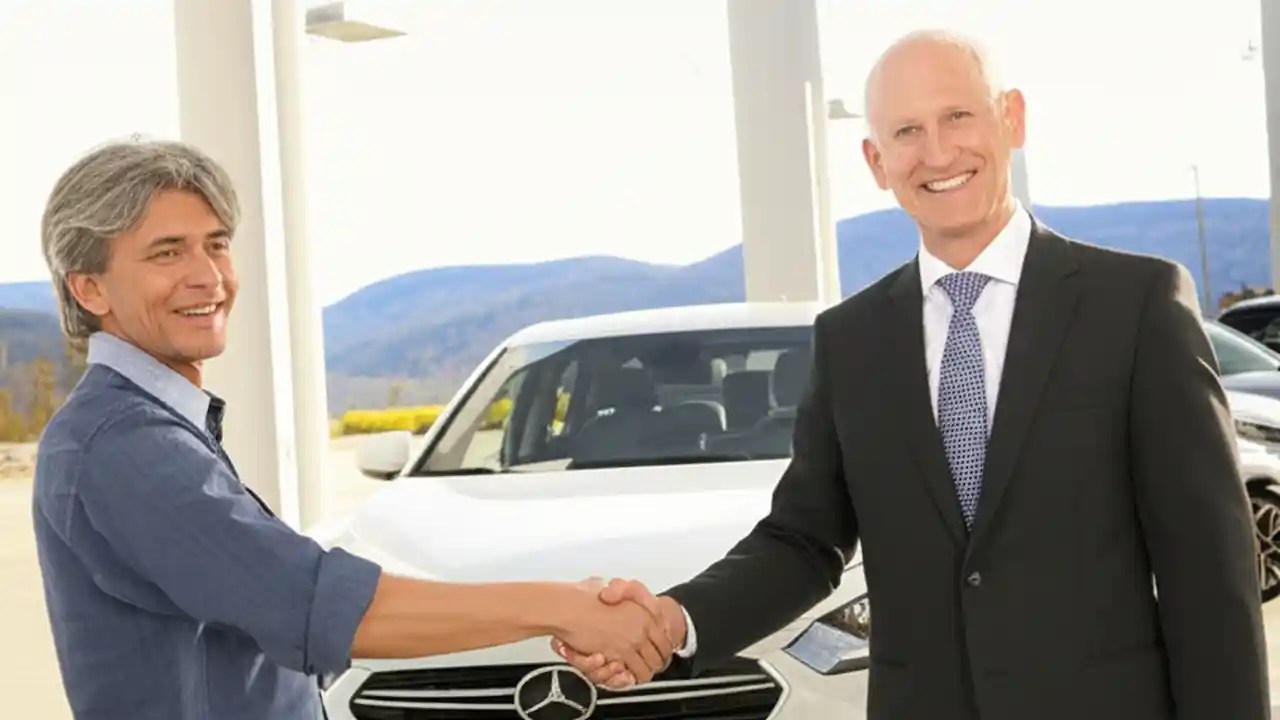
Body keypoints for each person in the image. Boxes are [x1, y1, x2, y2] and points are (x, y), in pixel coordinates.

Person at [555, 29, 1270, 718]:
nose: (937, 152)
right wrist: (675, 621)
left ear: (1010, 117)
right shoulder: (851, 340)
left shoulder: (1135, 305)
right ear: (875, 160)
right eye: (906, 132)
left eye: (958, 115)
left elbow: (1209, 572)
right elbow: (803, 542)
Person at [31, 139, 672, 720]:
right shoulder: (121, 444)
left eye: (217, 242)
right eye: (168, 252)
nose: (209, 276)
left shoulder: (151, 424)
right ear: (91, 289)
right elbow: (311, 604)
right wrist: (563, 608)